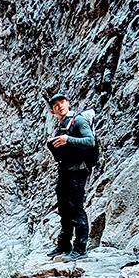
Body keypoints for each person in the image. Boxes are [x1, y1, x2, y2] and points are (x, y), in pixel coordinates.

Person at [46, 93, 95, 262]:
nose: (59, 105)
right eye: (55, 105)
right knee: (64, 210)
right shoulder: (62, 125)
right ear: (53, 111)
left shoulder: (78, 121)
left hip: (78, 171)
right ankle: (64, 245)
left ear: (68, 103)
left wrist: (68, 139)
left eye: (62, 102)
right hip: (65, 171)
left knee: (76, 209)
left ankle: (80, 249)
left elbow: (90, 141)